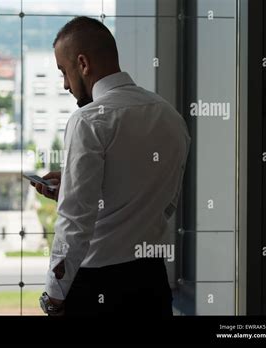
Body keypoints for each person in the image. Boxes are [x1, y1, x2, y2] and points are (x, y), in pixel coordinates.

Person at [32, 16, 191, 316]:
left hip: (97, 287)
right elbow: (165, 202)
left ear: (83, 63)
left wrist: (53, 296)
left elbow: (75, 221)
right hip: (152, 284)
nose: (65, 84)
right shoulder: (171, 116)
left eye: (64, 72)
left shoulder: (88, 121)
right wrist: (72, 188)